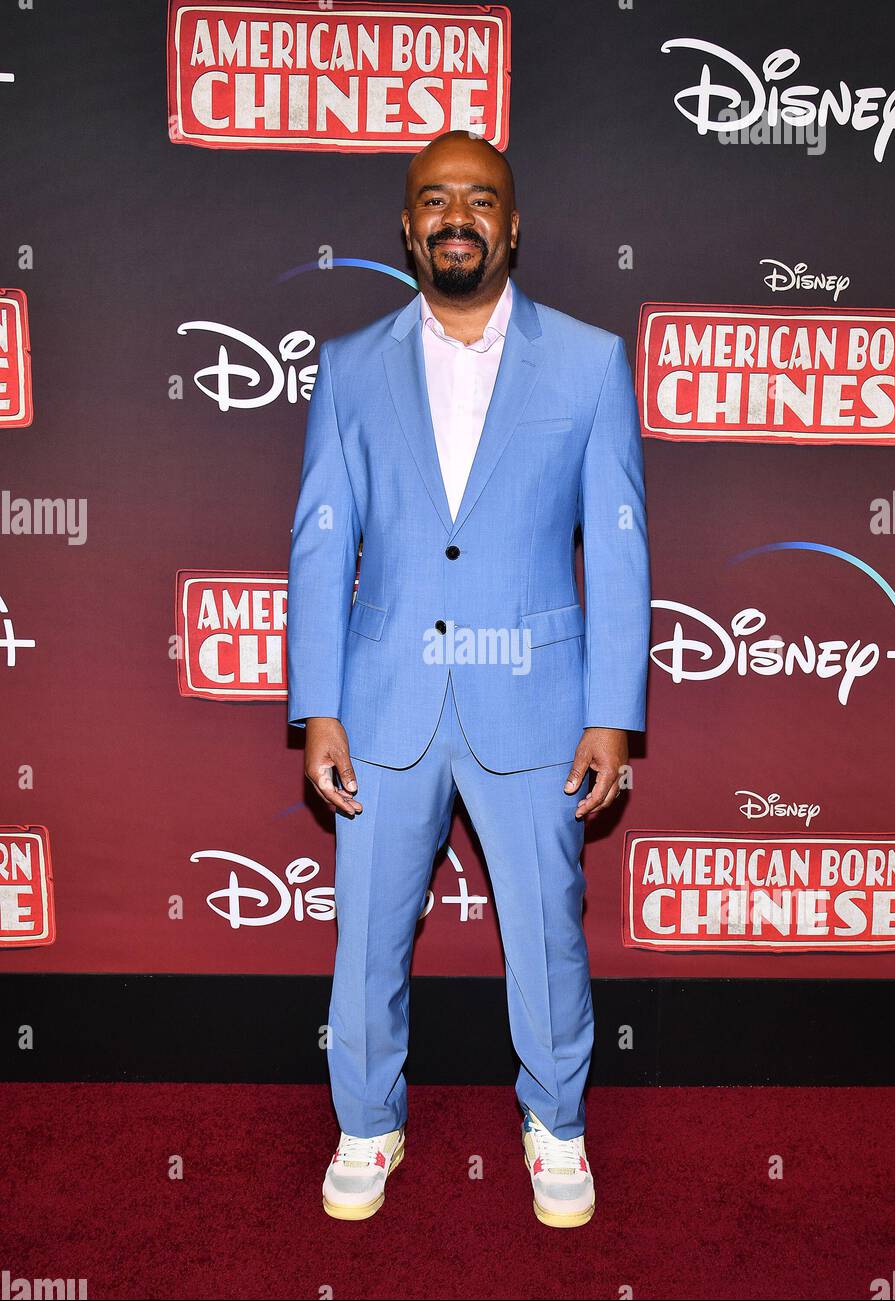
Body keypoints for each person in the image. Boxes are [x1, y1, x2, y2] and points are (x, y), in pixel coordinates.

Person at [286, 129, 651, 1227]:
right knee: (366, 938)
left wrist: (613, 715)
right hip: (386, 694)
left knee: (546, 929)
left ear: (511, 222)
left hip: (535, 698)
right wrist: (316, 708)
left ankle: (555, 1122)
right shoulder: (347, 366)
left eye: (479, 198)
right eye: (435, 199)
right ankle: (366, 1119)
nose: (457, 216)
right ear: (406, 226)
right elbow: (318, 539)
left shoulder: (587, 361)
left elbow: (621, 543)